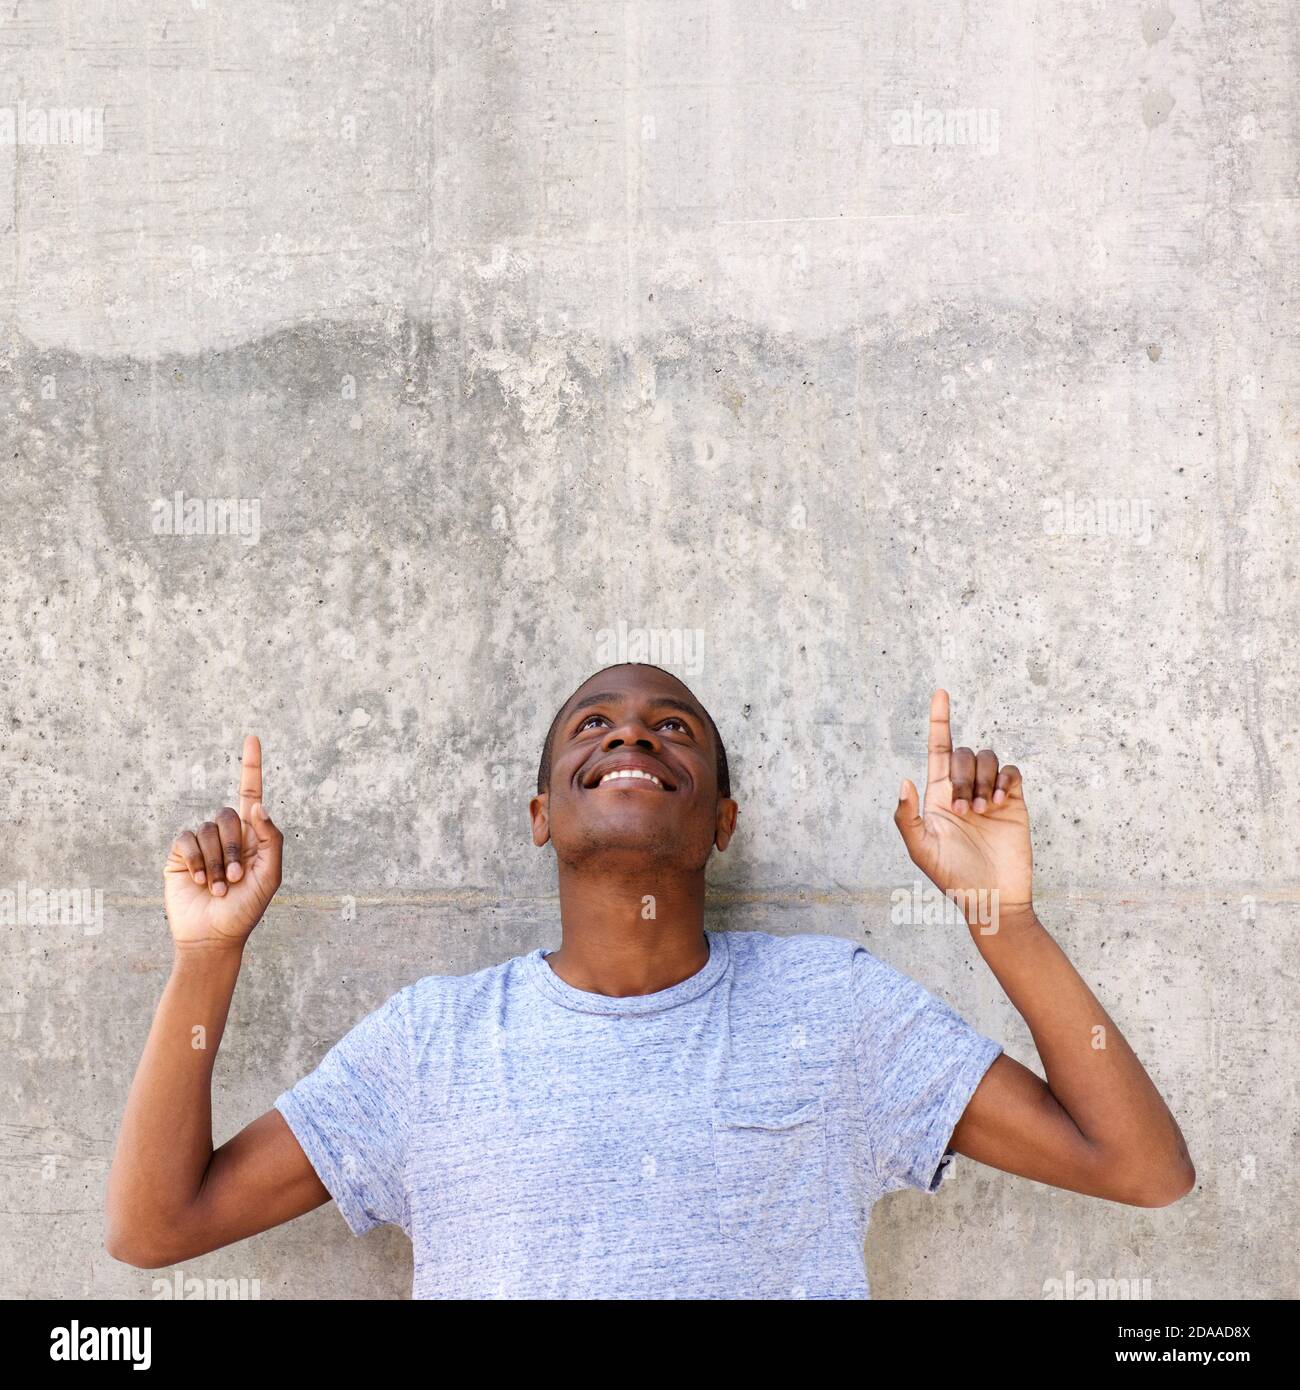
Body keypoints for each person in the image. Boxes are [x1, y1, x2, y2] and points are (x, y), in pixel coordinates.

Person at [105, 663, 1194, 1299]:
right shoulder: (430, 1042)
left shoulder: (837, 1010)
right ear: (542, 815)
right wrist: (208, 958)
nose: (631, 731)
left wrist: (1000, 920)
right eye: (596, 725)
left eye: (673, 730)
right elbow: (156, 1226)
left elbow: (1138, 1167)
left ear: (720, 823)